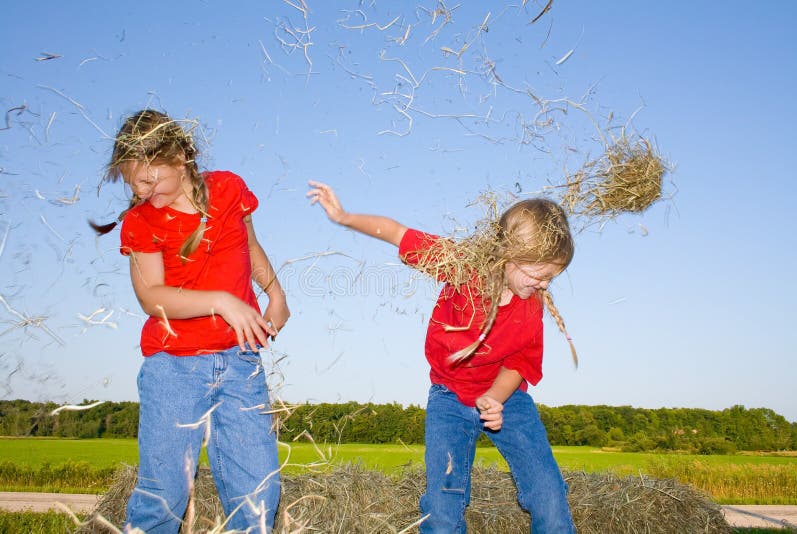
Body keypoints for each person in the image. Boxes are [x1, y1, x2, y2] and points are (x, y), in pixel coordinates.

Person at [307, 180, 576, 533]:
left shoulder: (531, 305)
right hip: (449, 398)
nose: (543, 285)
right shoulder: (462, 267)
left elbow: (520, 362)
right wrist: (344, 216)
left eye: (551, 279)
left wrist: (495, 399)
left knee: (548, 493)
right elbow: (397, 233)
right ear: (508, 253)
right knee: (442, 504)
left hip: (508, 399)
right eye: (539, 275)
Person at [95, 110, 289, 533]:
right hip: (174, 366)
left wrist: (276, 293)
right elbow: (152, 297)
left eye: (150, 180)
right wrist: (221, 301)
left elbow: (250, 248)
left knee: (258, 496)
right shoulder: (142, 221)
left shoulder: (230, 189)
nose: (145, 193)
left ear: (180, 157)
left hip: (241, 362)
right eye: (135, 186)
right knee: (164, 495)